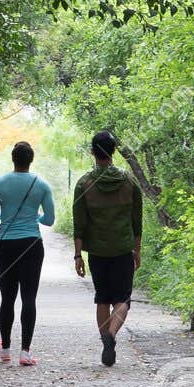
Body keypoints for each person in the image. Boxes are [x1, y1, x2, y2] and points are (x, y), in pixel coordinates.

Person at [73, 130, 142, 366]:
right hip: (123, 250)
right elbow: (137, 221)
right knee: (122, 299)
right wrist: (137, 249)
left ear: (93, 152)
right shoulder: (129, 181)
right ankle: (111, 335)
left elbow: (79, 224)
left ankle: (106, 338)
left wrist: (77, 255)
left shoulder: (84, 183)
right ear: (113, 152)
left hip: (98, 252)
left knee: (102, 298)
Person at [0, 140, 55, 366]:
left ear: (13, 159)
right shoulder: (42, 185)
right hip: (32, 245)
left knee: (7, 298)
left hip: (6, 245)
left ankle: (5, 349)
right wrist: (33, 217)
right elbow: (50, 219)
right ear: (31, 160)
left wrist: (7, 212)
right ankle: (25, 353)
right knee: (29, 298)